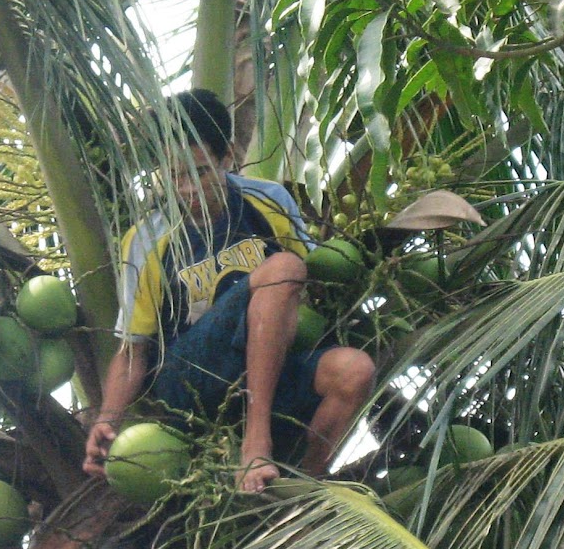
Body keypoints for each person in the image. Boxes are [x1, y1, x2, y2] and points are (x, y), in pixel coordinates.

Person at [82, 90, 375, 492]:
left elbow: (316, 282)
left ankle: (304, 485)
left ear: (228, 158)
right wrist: (107, 419)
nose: (188, 189)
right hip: (190, 382)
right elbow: (133, 349)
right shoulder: (147, 239)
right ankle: (256, 444)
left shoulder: (268, 201)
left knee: (355, 371)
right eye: (175, 176)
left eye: (200, 173)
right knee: (282, 268)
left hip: (267, 371)